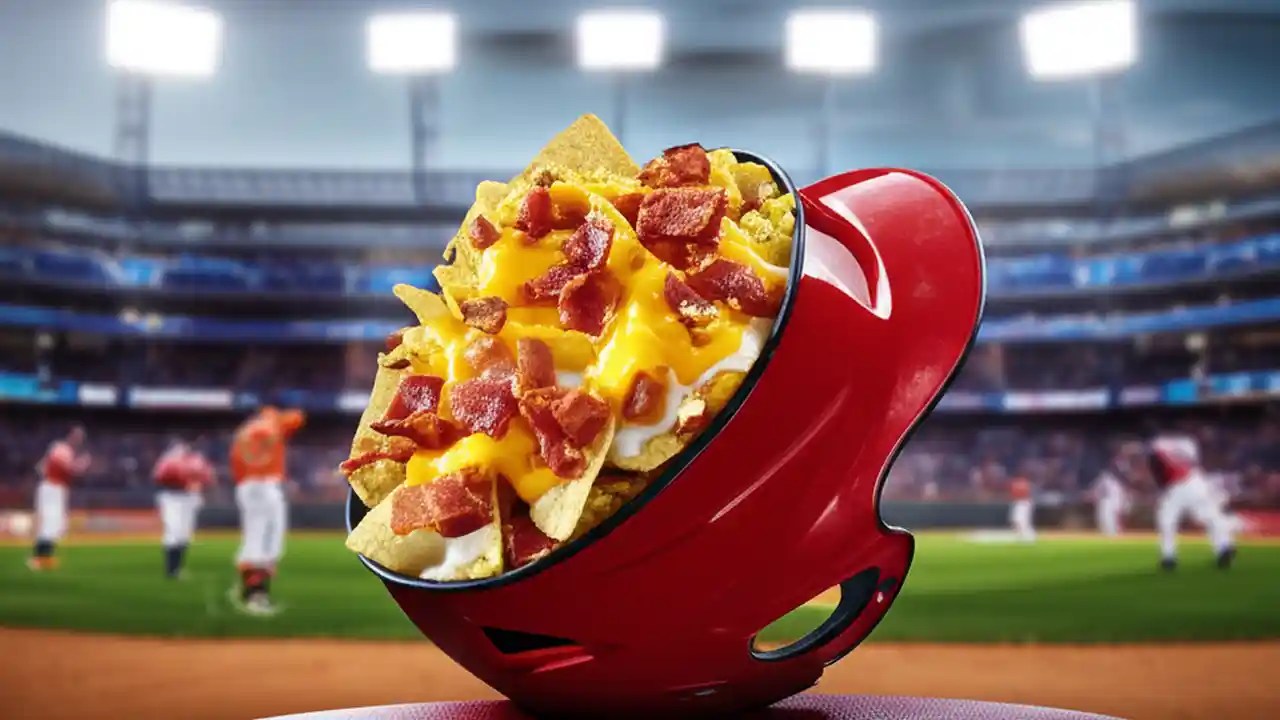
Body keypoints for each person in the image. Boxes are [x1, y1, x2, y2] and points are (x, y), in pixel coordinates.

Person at [229, 406, 305, 615]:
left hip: (246, 486)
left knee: (254, 536)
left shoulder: (243, 432)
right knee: (268, 541)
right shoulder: (272, 424)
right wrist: (276, 416)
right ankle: (256, 594)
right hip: (266, 486)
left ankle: (248, 590)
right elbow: (298, 418)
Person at [1149, 434, 1237, 570]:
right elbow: (1193, 462)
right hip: (1195, 481)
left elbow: (1161, 473)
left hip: (1177, 486)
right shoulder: (1184, 445)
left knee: (1166, 521)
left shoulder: (1159, 451)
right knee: (1209, 517)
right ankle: (1224, 547)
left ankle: (1168, 557)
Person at [27, 426, 91, 571]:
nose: (78, 439)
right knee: (51, 522)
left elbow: (41, 467)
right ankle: (39, 557)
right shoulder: (62, 448)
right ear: (69, 435)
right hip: (53, 486)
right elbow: (68, 469)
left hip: (55, 486)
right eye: (76, 435)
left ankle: (45, 557)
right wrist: (82, 464)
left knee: (54, 523)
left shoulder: (61, 449)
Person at [153, 439, 214, 579]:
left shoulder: (197, 459)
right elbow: (160, 477)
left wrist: (198, 483)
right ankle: (172, 569)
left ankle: (178, 568)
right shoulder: (168, 460)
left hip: (190, 497)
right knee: (174, 532)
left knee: (184, 534)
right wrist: (184, 481)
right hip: (173, 497)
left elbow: (207, 478)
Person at [1092, 463, 1129, 538]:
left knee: (1114, 525)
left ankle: (1116, 538)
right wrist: (1095, 495)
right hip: (1105, 501)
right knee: (1103, 522)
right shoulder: (1105, 477)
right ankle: (1107, 537)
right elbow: (1097, 489)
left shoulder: (1120, 483)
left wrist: (1121, 508)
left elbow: (1122, 497)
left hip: (1115, 502)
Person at [1008, 475, 1035, 542]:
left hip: (1024, 503)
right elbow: (1014, 494)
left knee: (1022, 522)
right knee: (1016, 520)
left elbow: (1025, 493)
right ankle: (1020, 535)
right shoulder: (1016, 483)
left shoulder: (1024, 483)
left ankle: (1029, 536)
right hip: (1018, 503)